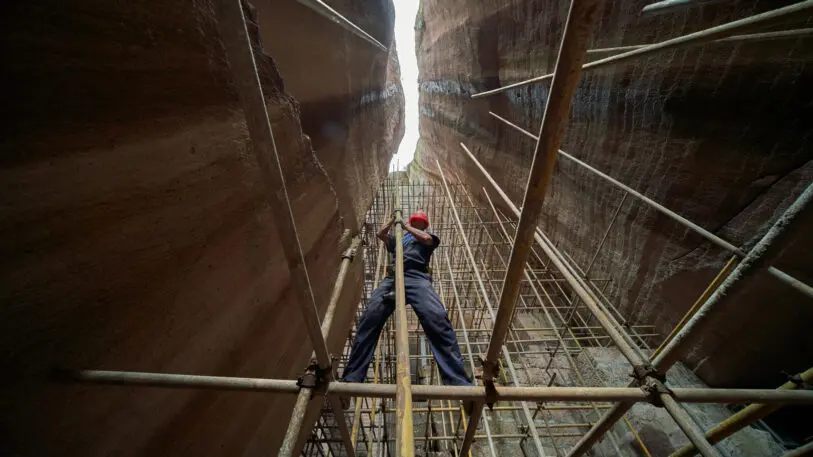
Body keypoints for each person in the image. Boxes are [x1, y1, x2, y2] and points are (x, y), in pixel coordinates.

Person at [342, 211, 472, 387]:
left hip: (417, 278)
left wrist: (404, 225)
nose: (417, 223)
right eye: (415, 221)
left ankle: (459, 383)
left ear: (424, 225)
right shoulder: (399, 239)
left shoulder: (427, 237)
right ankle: (352, 379)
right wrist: (392, 220)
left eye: (420, 222)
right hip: (392, 279)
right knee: (369, 320)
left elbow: (426, 239)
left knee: (438, 320)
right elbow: (381, 234)